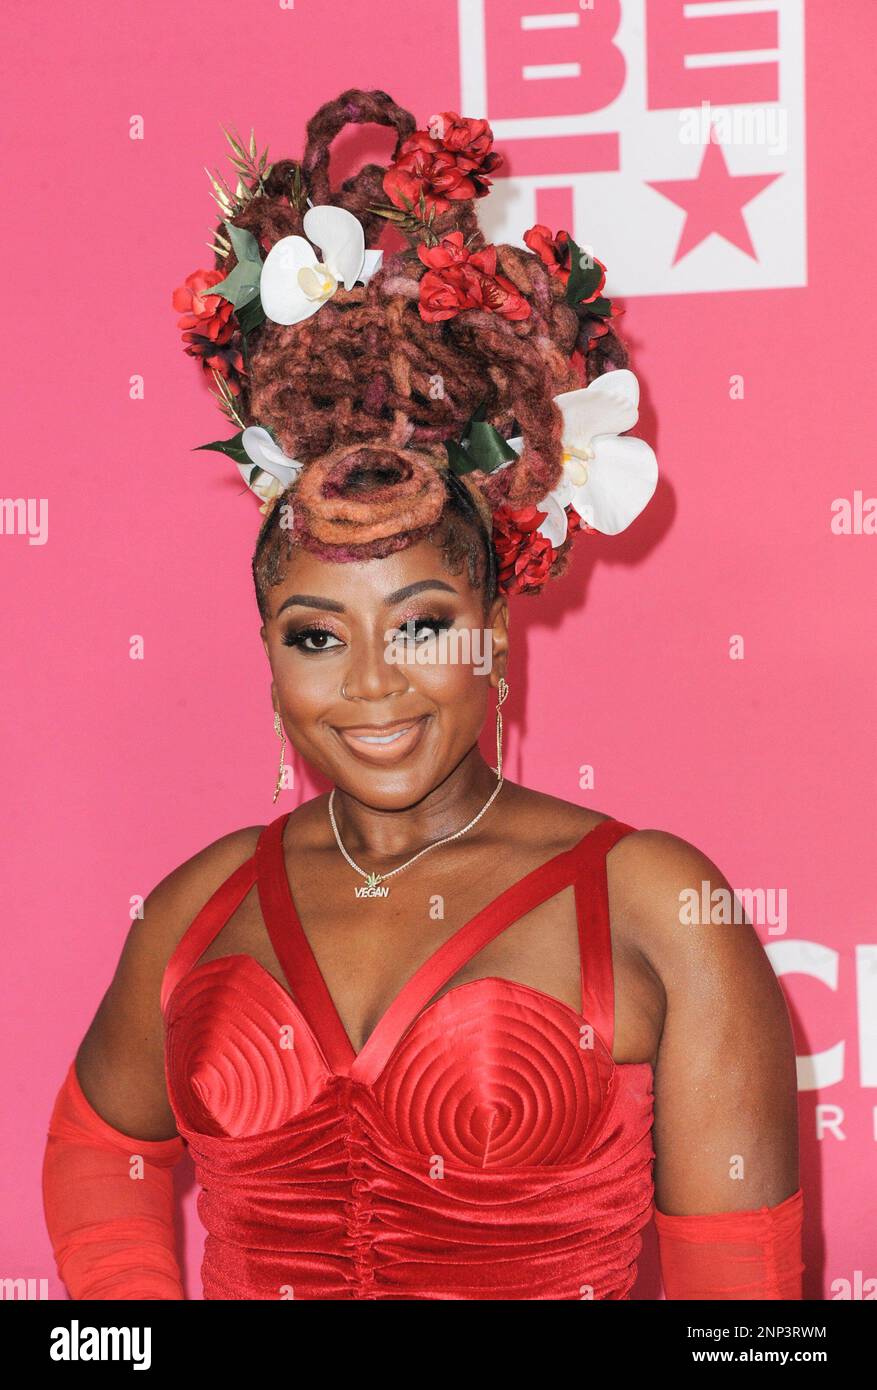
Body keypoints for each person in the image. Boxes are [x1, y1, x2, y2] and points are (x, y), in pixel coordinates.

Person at [42, 89, 804, 1301]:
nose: (372, 683)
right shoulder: (199, 902)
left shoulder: (656, 903)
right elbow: (98, 1153)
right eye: (314, 635)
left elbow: (750, 1322)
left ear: (494, 635)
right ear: (268, 652)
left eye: (424, 626)